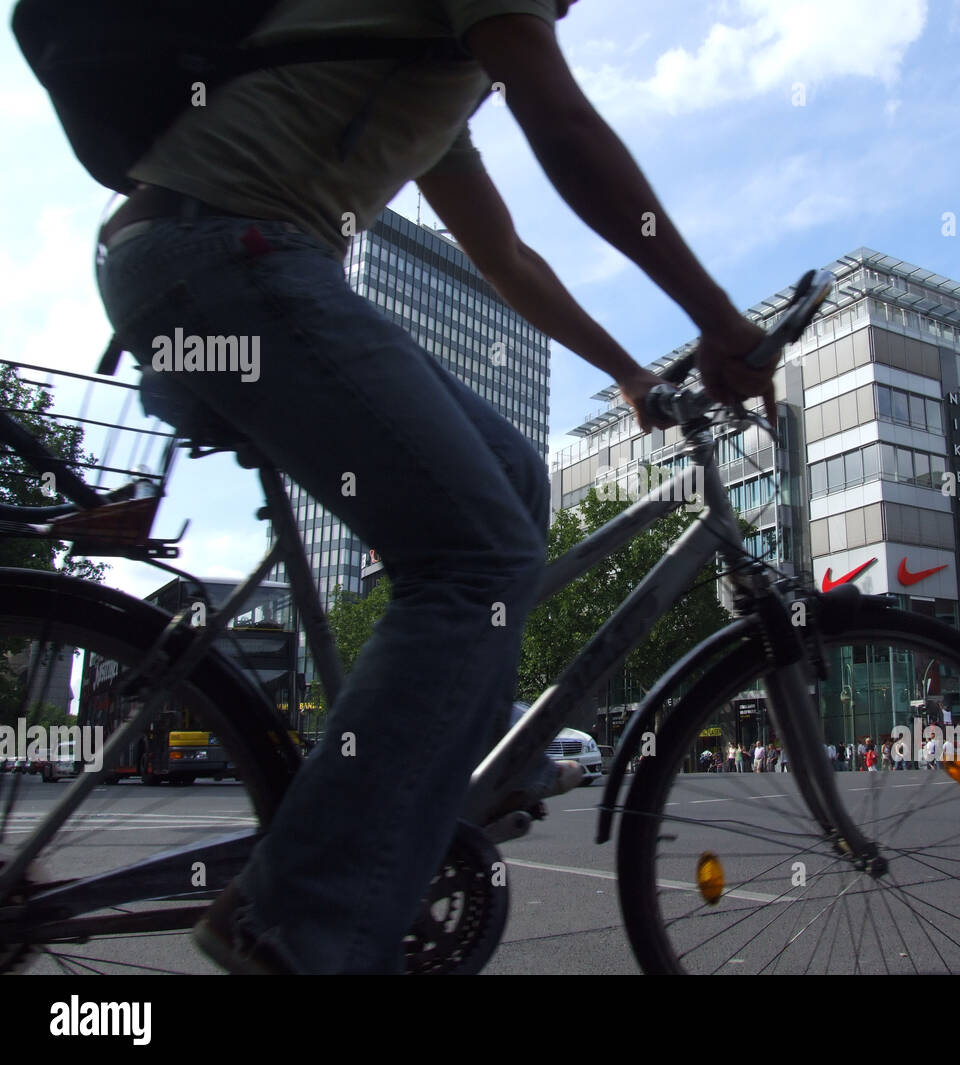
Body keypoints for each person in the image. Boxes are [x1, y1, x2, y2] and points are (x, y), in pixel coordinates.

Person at [96, 0, 775, 975]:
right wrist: (718, 319)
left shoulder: (430, 75)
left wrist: (631, 373)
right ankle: (301, 928)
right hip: (225, 257)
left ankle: (462, 753)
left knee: (511, 477)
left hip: (203, 261)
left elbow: (506, 258)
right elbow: (569, 133)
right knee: (474, 557)